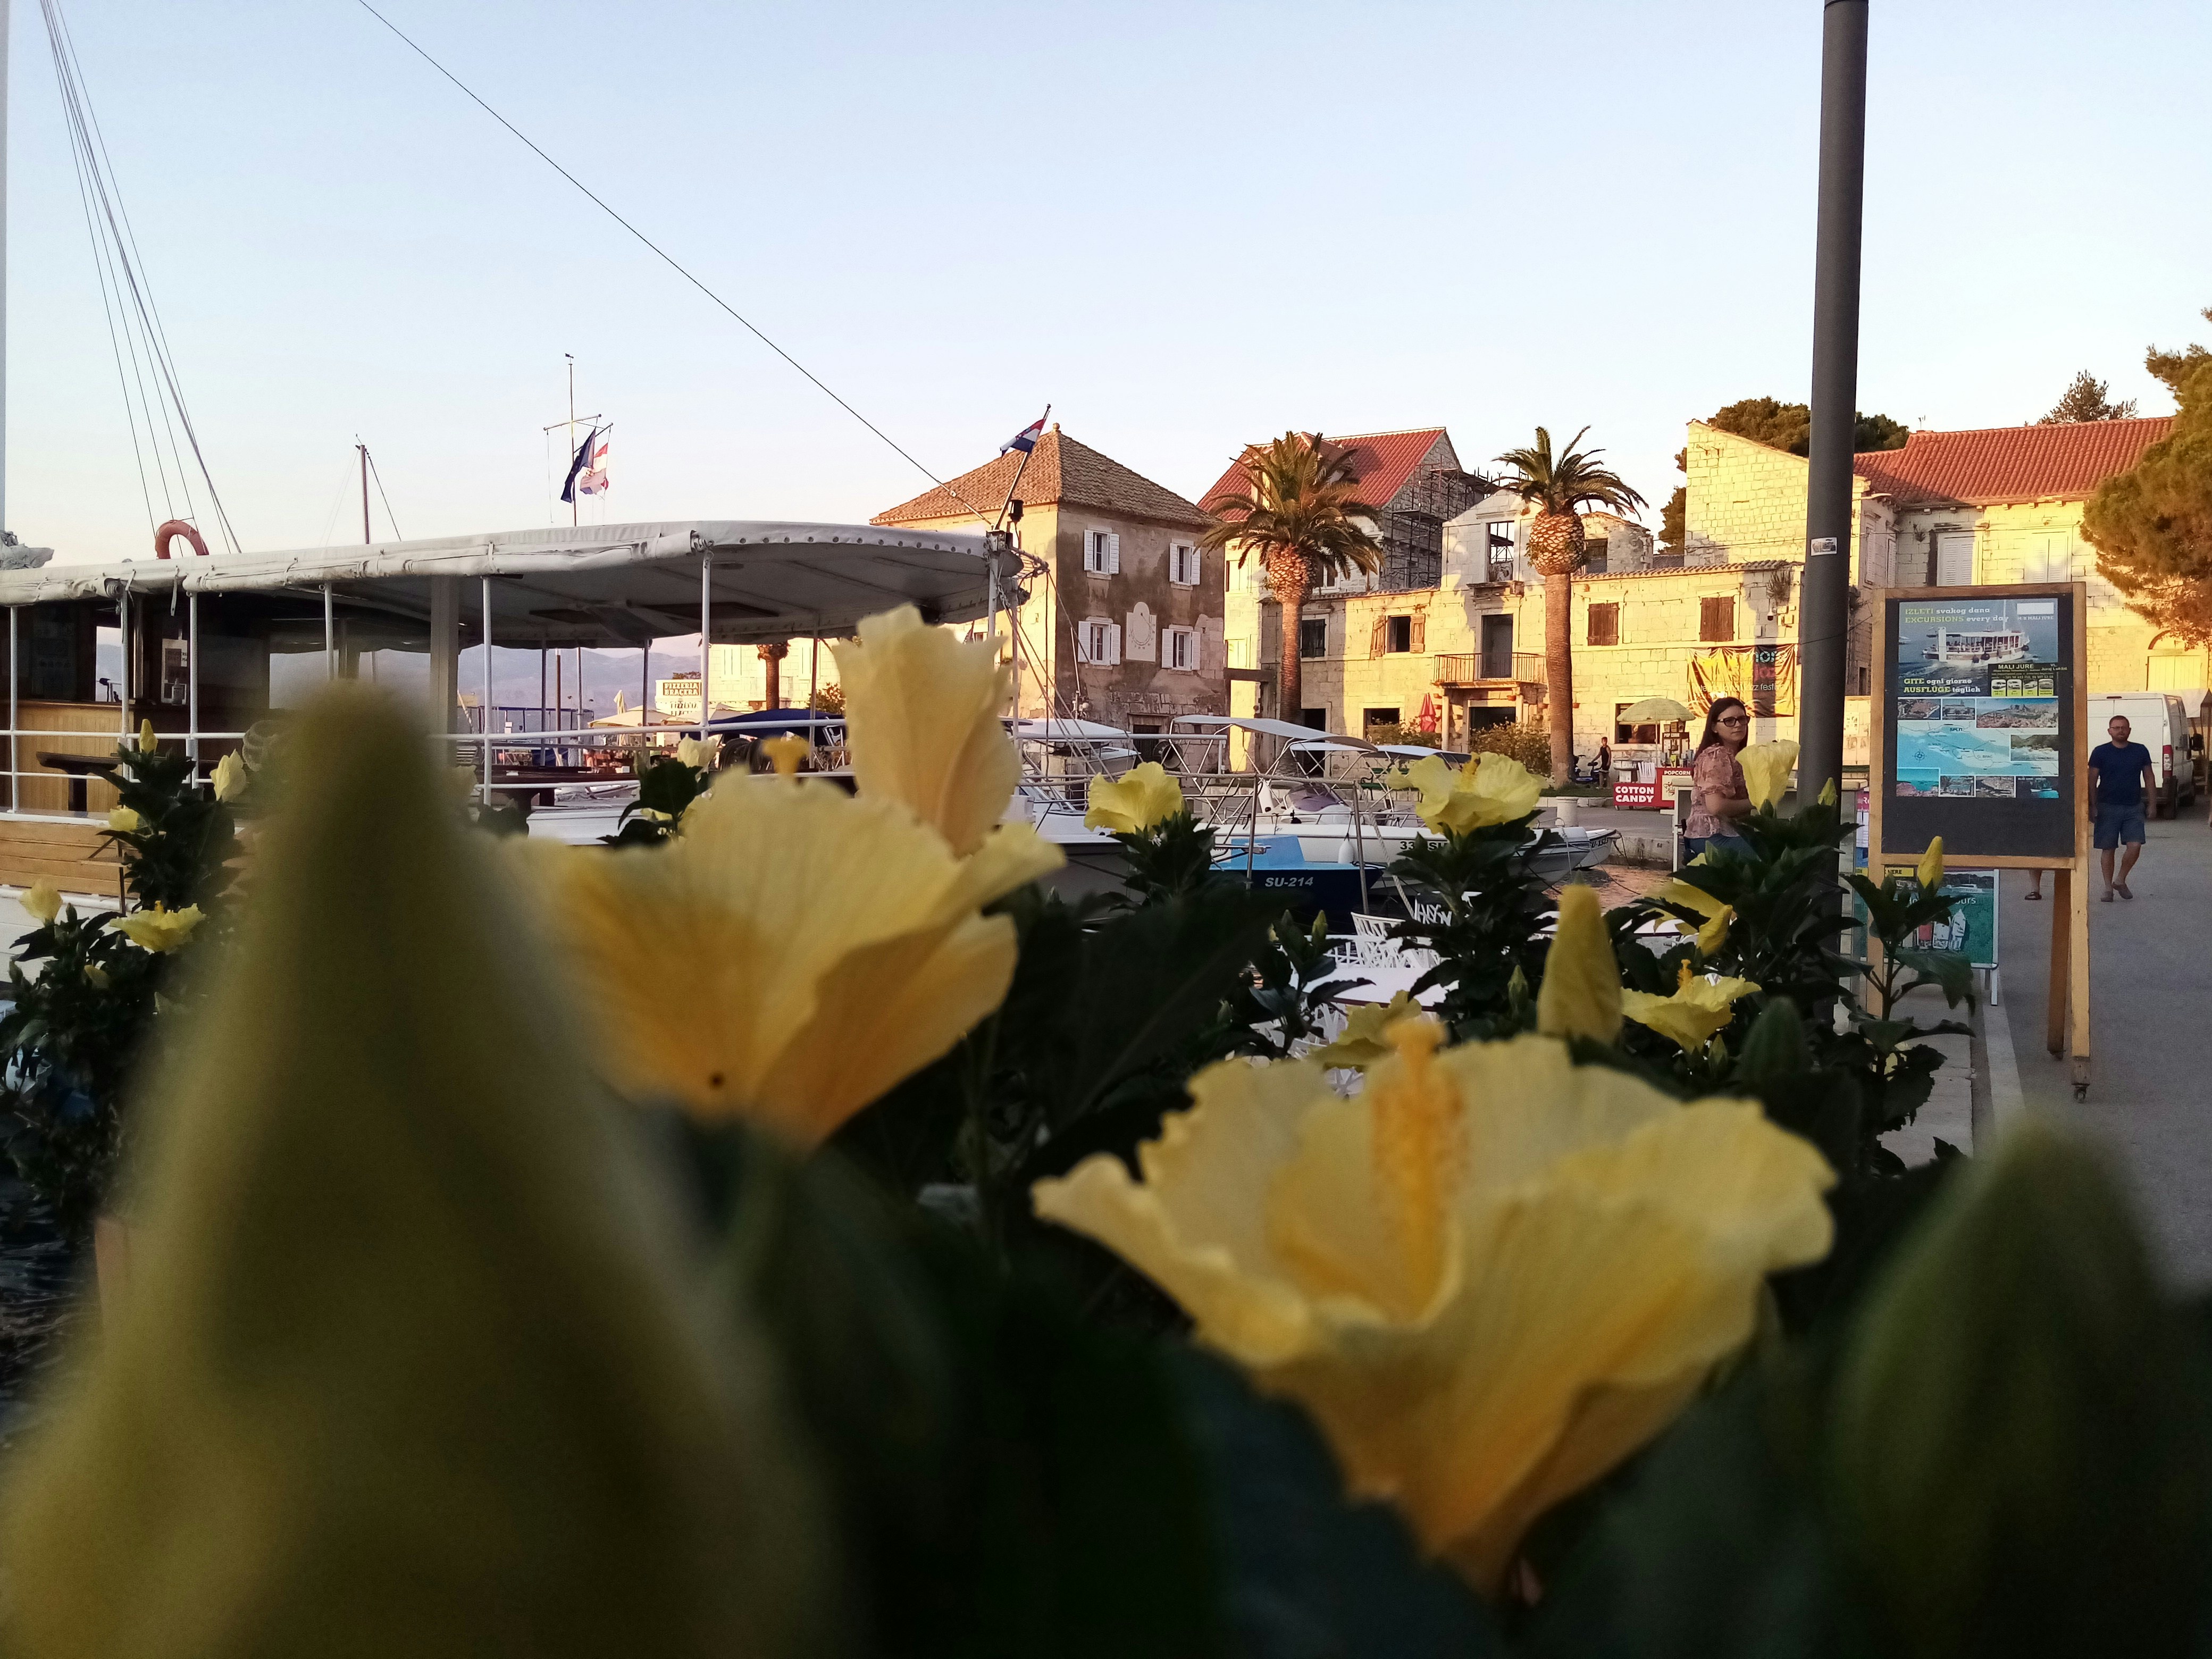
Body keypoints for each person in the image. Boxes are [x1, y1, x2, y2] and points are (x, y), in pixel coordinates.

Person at [2088, 713, 2156, 901]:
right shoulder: (2100, 752)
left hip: (2133, 806)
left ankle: (2120, 879)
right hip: (2107, 806)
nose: (2120, 731)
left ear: (2129, 730)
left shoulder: (2140, 751)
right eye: (2116, 728)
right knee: (2108, 849)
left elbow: (2149, 777)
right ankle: (2107, 889)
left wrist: (2153, 803)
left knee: (2135, 846)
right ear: (2109, 731)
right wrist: (2092, 805)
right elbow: (2091, 780)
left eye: (2123, 727)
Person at [1683, 697, 1754, 859]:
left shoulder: (1737, 756)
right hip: (1712, 836)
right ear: (1714, 727)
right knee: (1770, 857)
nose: (1738, 725)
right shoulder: (1717, 756)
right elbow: (1717, 807)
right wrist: (1757, 802)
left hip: (1726, 834)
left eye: (1742, 719)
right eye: (1729, 721)